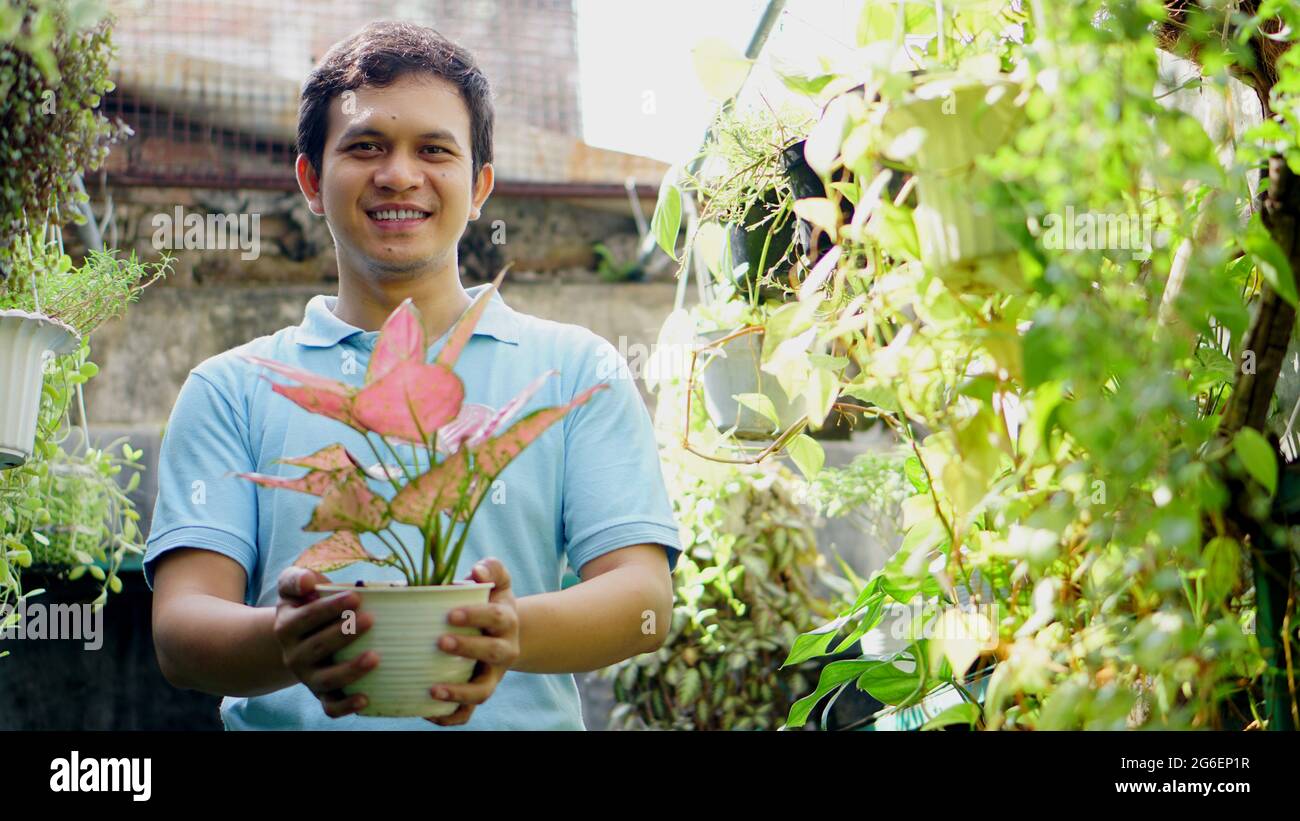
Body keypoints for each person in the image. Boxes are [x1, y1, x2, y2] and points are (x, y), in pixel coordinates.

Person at [146, 20, 681, 730]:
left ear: (480, 184)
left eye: (434, 150)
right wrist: (285, 640)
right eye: (365, 146)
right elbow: (181, 630)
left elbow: (643, 602)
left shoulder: (578, 370)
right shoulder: (231, 389)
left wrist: (509, 630)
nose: (399, 174)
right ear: (310, 179)